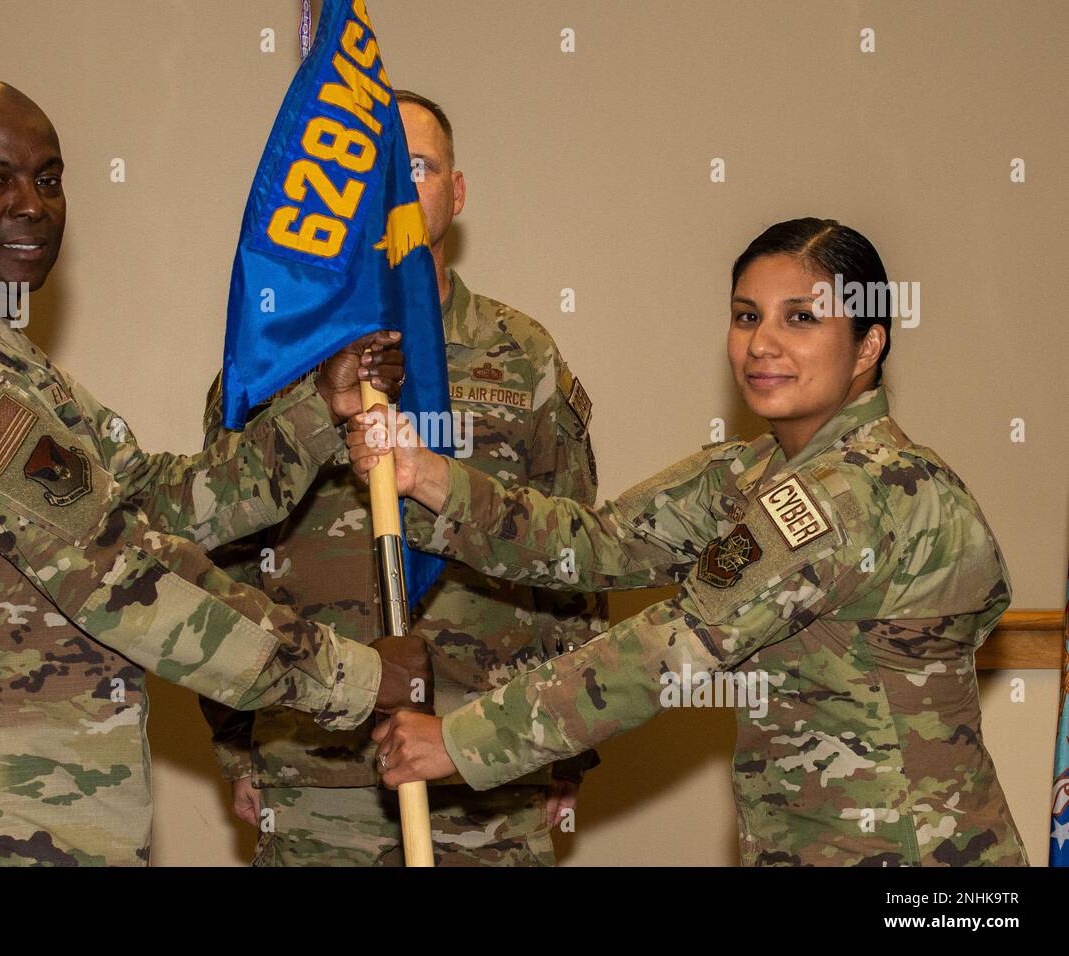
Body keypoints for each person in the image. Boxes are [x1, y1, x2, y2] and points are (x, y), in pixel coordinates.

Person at [0, 76, 428, 867]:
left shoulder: (0, 358)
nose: (33, 205)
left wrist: (318, 414)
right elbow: (124, 575)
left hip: (33, 818)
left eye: (49, 178)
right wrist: (352, 676)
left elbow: (151, 506)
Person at [353, 218, 1029, 866]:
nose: (762, 342)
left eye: (801, 317)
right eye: (746, 315)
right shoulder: (755, 471)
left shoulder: (853, 492)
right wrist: (432, 479)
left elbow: (669, 648)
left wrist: (462, 741)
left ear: (868, 345)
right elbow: (600, 543)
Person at [198, 91, 605, 866]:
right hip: (316, 770)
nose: (395, 188)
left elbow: (576, 559)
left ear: (456, 192)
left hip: (491, 763)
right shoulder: (273, 363)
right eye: (375, 169)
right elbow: (219, 563)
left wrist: (568, 744)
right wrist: (234, 743)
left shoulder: (523, 353)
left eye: (416, 167)